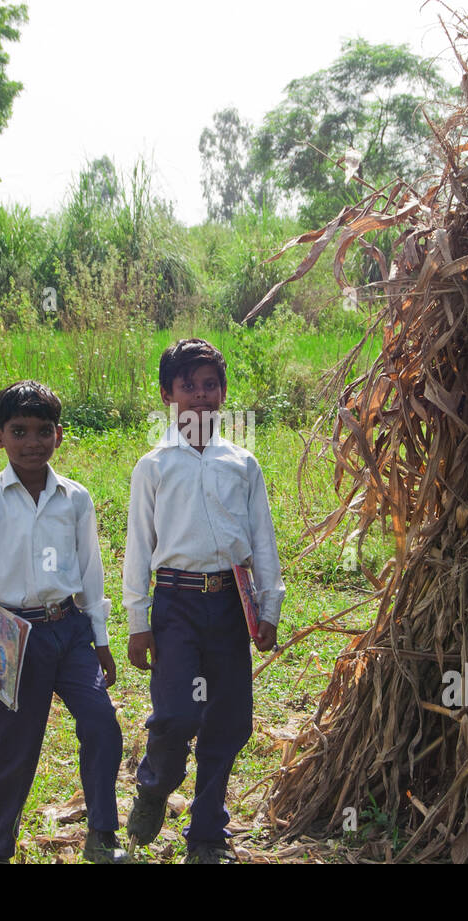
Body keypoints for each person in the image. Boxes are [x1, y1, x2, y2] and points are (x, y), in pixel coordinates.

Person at [123, 338, 285, 863]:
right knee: (177, 713)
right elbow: (138, 546)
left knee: (230, 720)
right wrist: (136, 620)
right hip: (175, 603)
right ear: (168, 394)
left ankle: (208, 834)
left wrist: (269, 608)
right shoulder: (154, 465)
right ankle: (155, 783)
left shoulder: (242, 463)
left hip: (230, 607)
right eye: (187, 385)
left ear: (223, 392)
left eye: (209, 384)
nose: (200, 396)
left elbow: (262, 543)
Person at [0, 380, 125, 864]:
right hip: (14, 634)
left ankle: (101, 836)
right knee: (14, 746)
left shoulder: (75, 499)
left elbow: (91, 572)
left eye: (43, 431)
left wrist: (100, 639)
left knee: (101, 725)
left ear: (59, 434)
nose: (32, 442)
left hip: (68, 628)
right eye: (19, 430)